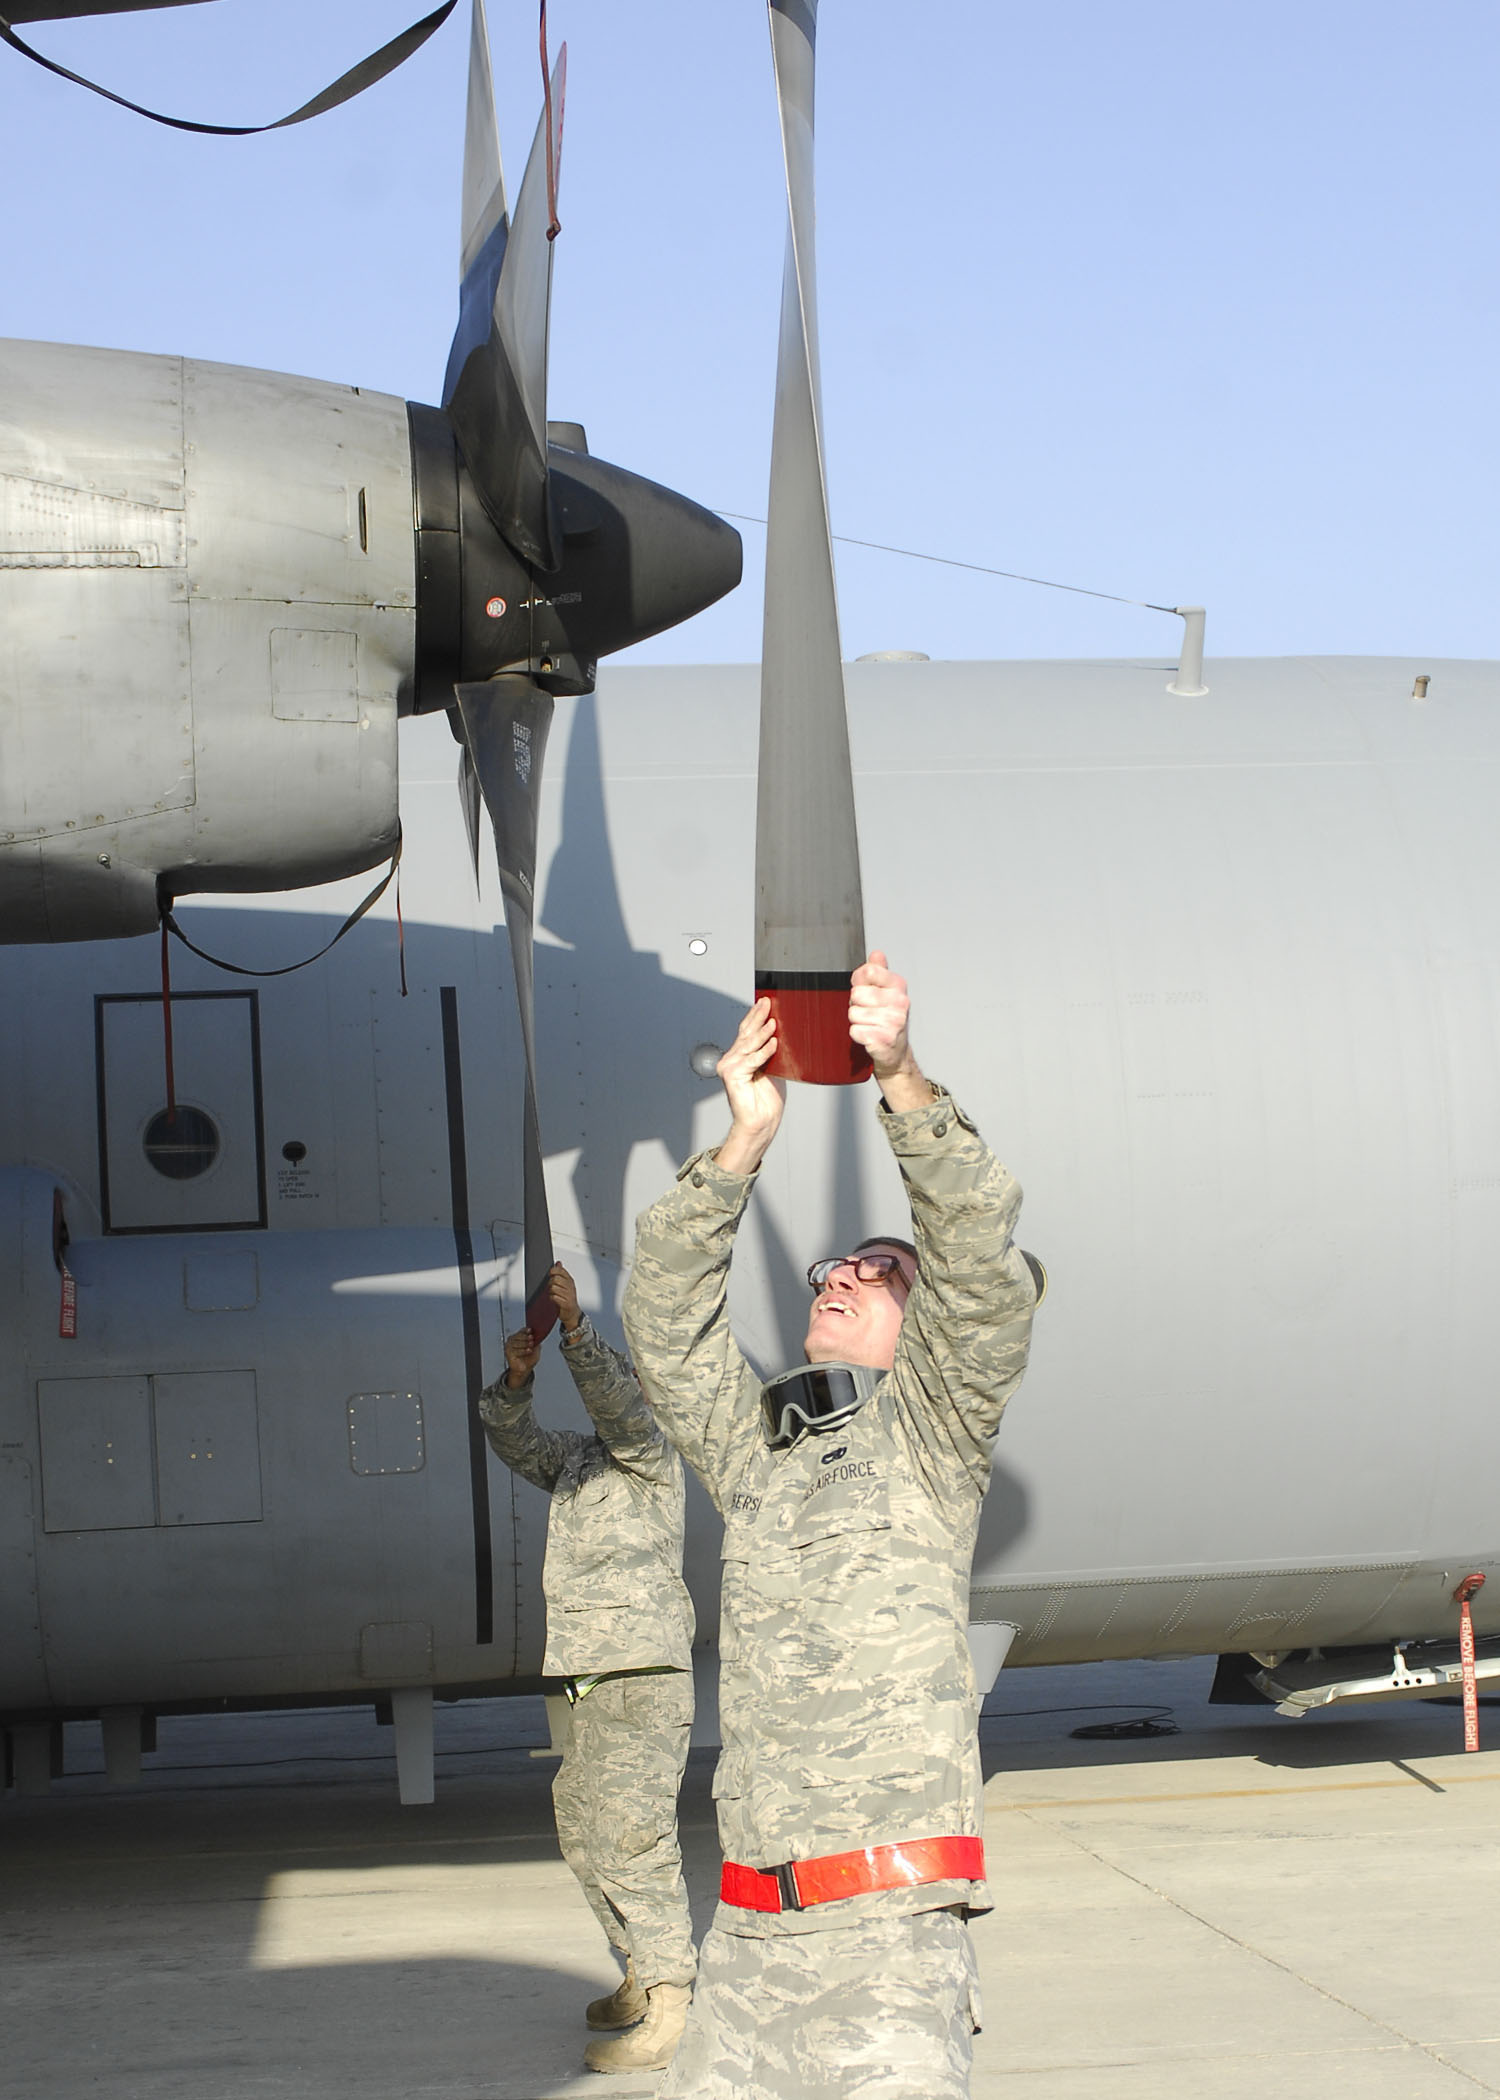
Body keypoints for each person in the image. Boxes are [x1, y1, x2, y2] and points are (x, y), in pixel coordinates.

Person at [622, 953, 1037, 2099]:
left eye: (877, 1269)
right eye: (832, 1264)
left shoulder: (935, 1434)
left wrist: (898, 1075)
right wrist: (742, 1143)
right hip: (748, 1945)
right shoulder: (759, 1460)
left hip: (888, 1939)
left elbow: (982, 1272)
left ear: (923, 1326)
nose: (840, 1275)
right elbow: (662, 1324)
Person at [479, 1261, 696, 2075]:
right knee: (584, 1833)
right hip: (586, 1673)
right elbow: (512, 1438)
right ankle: (637, 1971)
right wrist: (518, 1377)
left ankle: (671, 1998)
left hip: (639, 1670)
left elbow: (617, 1402)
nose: (624, 1392)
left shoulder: (650, 1452)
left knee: (636, 1839)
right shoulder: (578, 1464)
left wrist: (575, 1331)